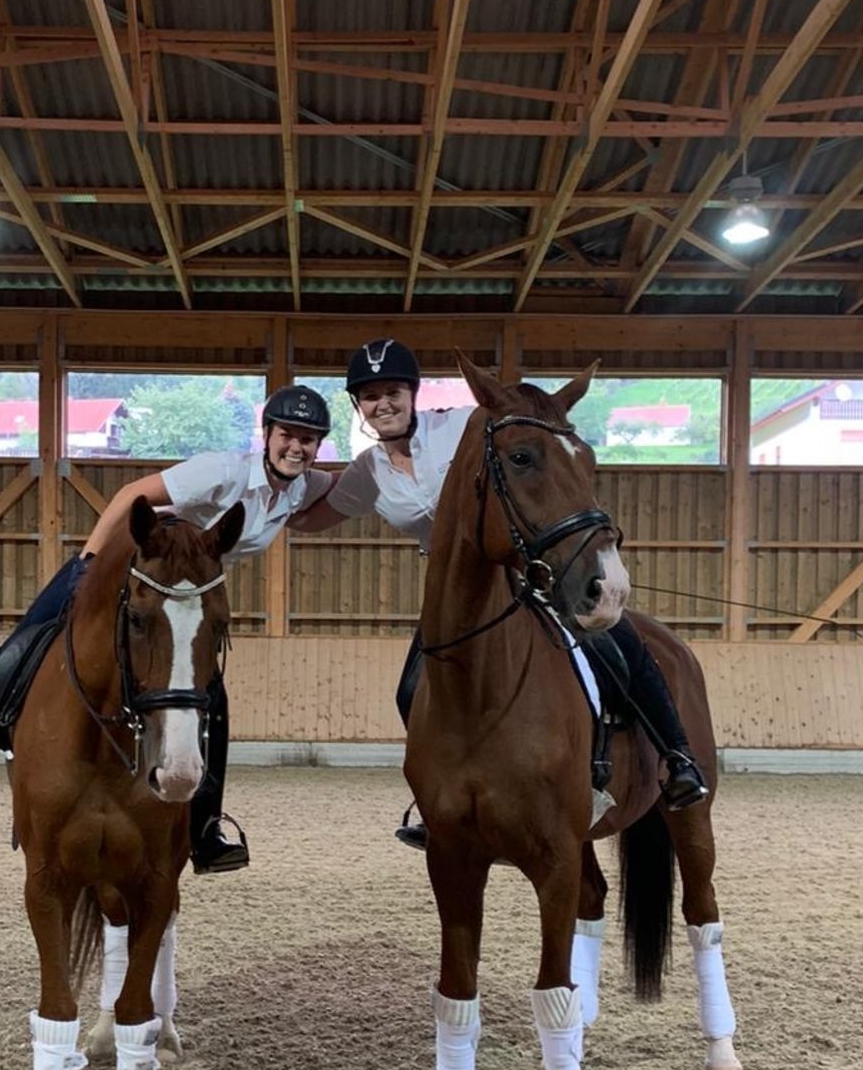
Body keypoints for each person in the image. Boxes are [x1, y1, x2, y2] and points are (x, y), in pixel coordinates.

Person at [0, 385, 335, 873]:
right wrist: (87, 561)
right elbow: (133, 496)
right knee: (20, 650)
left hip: (179, 596)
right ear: (267, 435)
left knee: (211, 692)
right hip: (119, 562)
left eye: (308, 439)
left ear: (319, 447)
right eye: (287, 435)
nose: (296, 447)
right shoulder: (224, 470)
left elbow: (330, 502)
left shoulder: (300, 489)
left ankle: (205, 829)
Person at [288, 338, 710, 842]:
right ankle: (438, 795)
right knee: (410, 691)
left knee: (617, 643)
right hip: (451, 596)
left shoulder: (463, 426)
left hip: (518, 572)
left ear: (412, 393)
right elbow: (314, 516)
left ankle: (676, 757)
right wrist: (276, 486)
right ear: (358, 406)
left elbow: (530, 437)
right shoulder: (367, 472)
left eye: (393, 391)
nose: (384, 403)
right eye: (371, 395)